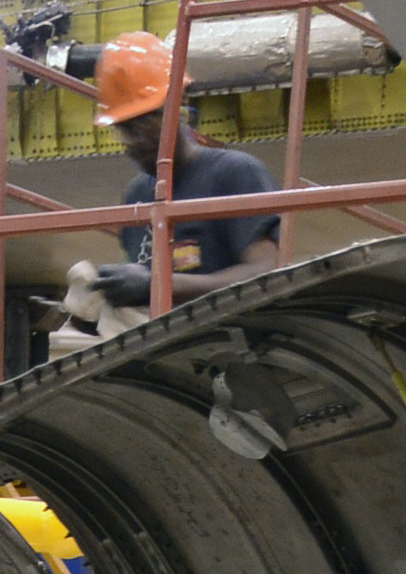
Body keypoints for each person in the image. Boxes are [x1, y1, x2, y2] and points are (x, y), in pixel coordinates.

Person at [52, 29, 281, 346]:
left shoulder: (234, 175)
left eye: (137, 125)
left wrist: (156, 284)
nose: (129, 142)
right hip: (166, 356)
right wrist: (98, 301)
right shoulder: (136, 195)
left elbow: (266, 275)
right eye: (121, 129)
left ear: (176, 108)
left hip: (232, 349)